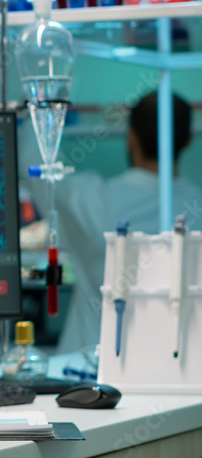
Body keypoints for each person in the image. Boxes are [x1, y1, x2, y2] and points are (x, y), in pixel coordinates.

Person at [21, 91, 202, 354]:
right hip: (179, 372)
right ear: (187, 140)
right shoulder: (196, 208)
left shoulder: (91, 200)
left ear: (131, 138)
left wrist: (38, 107)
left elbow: (34, 162)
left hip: (89, 376)